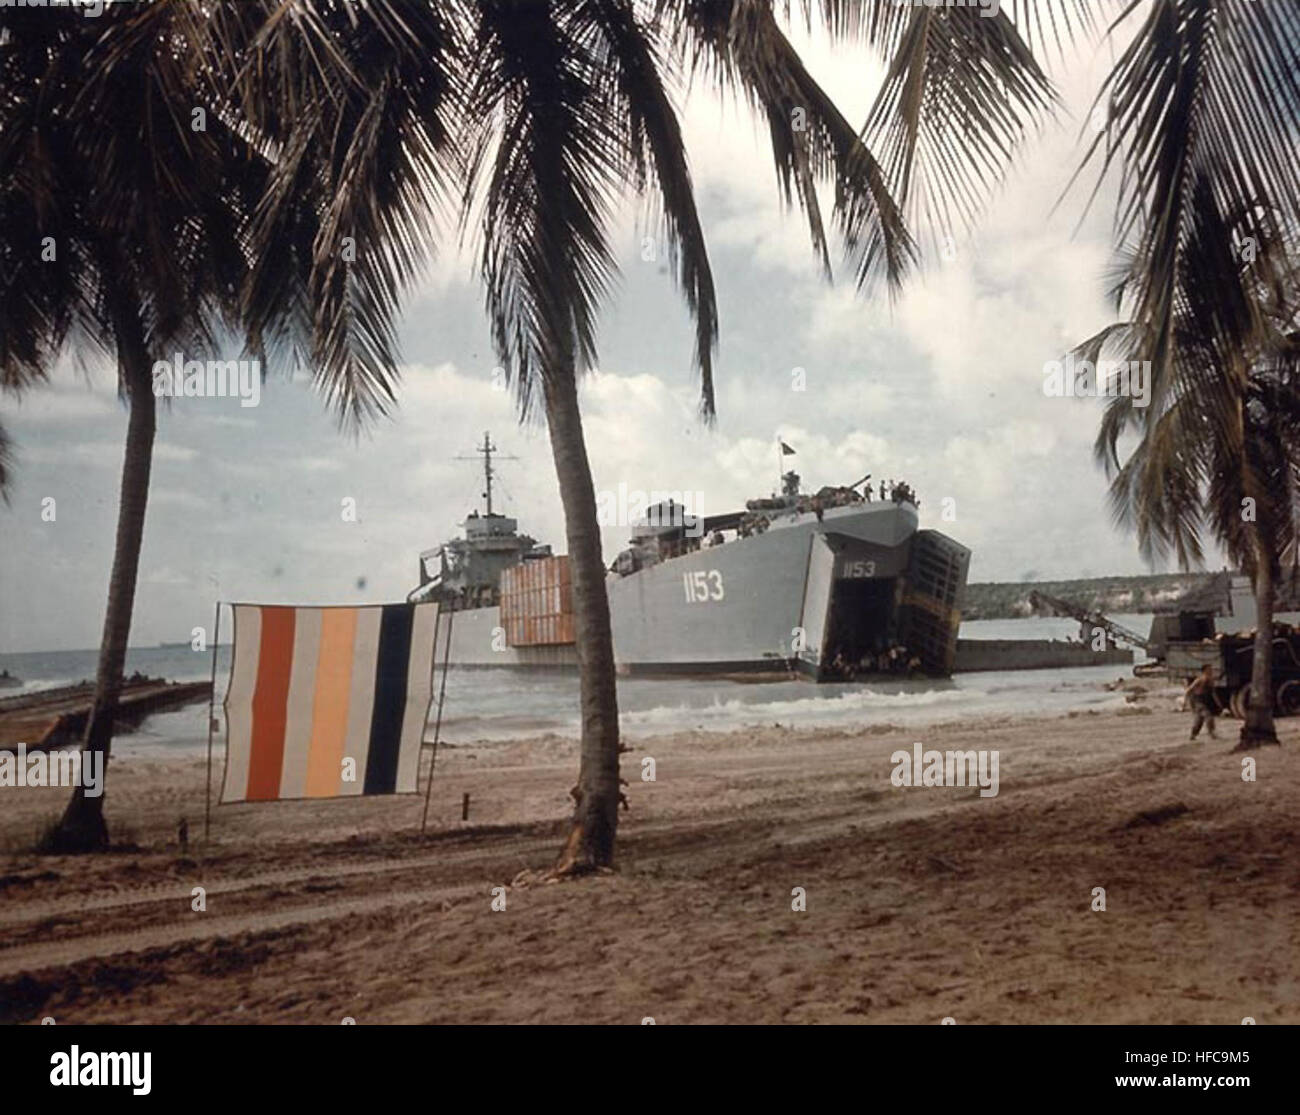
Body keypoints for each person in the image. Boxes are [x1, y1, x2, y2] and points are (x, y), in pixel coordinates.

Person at [1184, 665, 1218, 740]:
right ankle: (1211, 733)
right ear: (1205, 670)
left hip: (1206, 701)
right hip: (1198, 701)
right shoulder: (1200, 680)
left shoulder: (1210, 680)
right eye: (1209, 669)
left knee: (1199, 719)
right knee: (1208, 716)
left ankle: (1193, 735)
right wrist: (1185, 703)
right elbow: (1189, 690)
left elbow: (1213, 693)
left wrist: (1218, 703)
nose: (1211, 671)